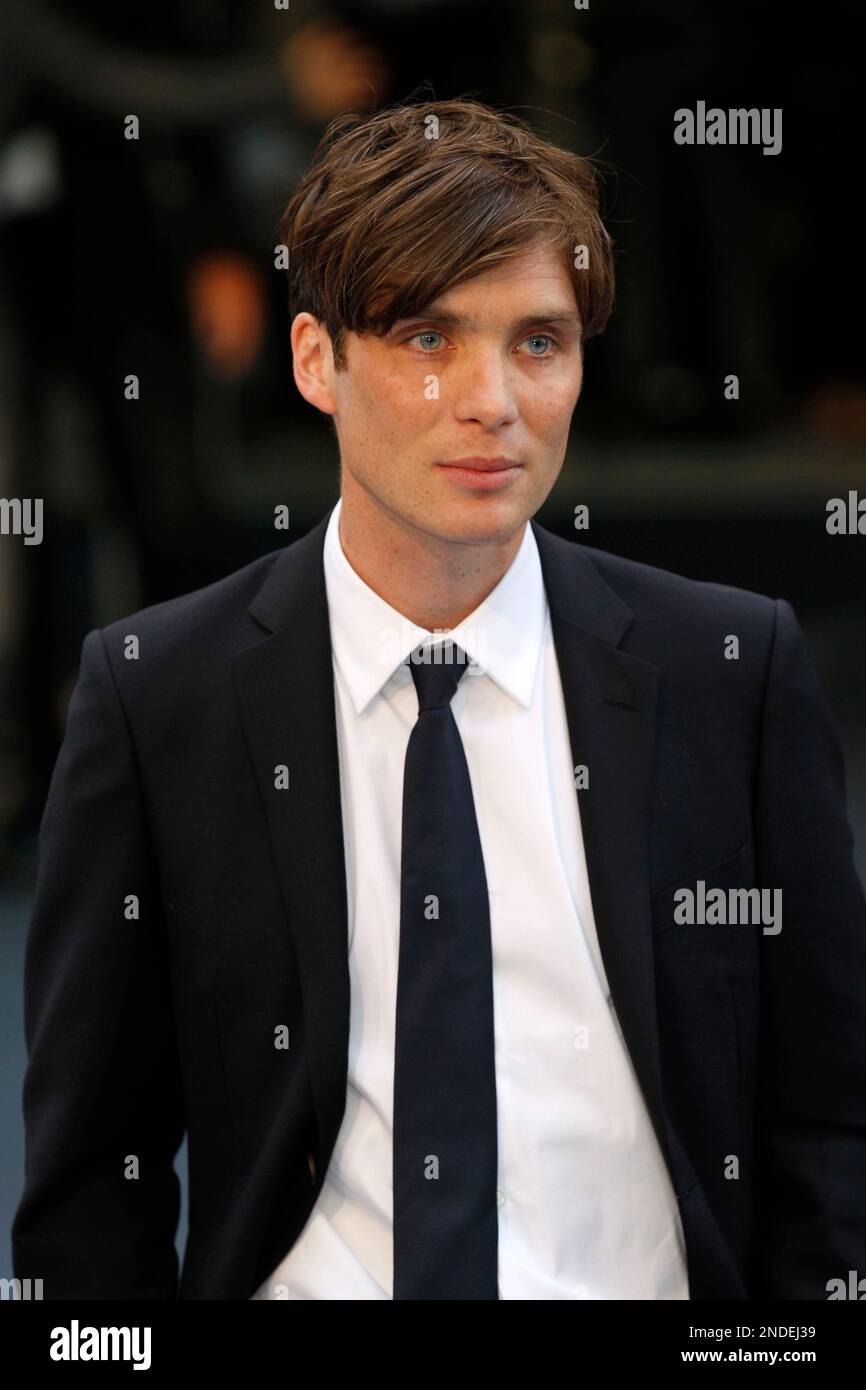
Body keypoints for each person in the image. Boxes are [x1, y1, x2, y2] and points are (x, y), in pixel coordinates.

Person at [13, 97, 866, 1301]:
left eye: (538, 341)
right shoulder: (159, 697)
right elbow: (90, 1178)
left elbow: (825, 1122)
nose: (493, 401)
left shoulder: (730, 670)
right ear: (316, 360)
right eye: (426, 339)